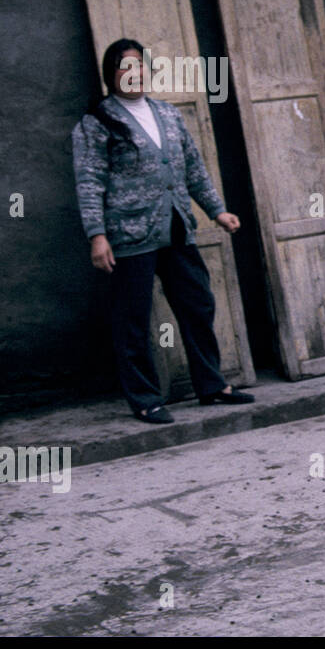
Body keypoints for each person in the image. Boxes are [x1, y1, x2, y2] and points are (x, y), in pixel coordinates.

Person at [71, 39, 255, 424]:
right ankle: (144, 398)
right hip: (129, 234)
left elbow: (193, 169)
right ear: (111, 75)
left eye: (139, 66)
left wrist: (217, 211)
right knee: (133, 318)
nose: (133, 74)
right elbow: (89, 181)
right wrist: (97, 235)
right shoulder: (98, 122)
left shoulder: (168, 115)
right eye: (125, 67)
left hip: (175, 227)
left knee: (197, 305)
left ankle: (211, 385)